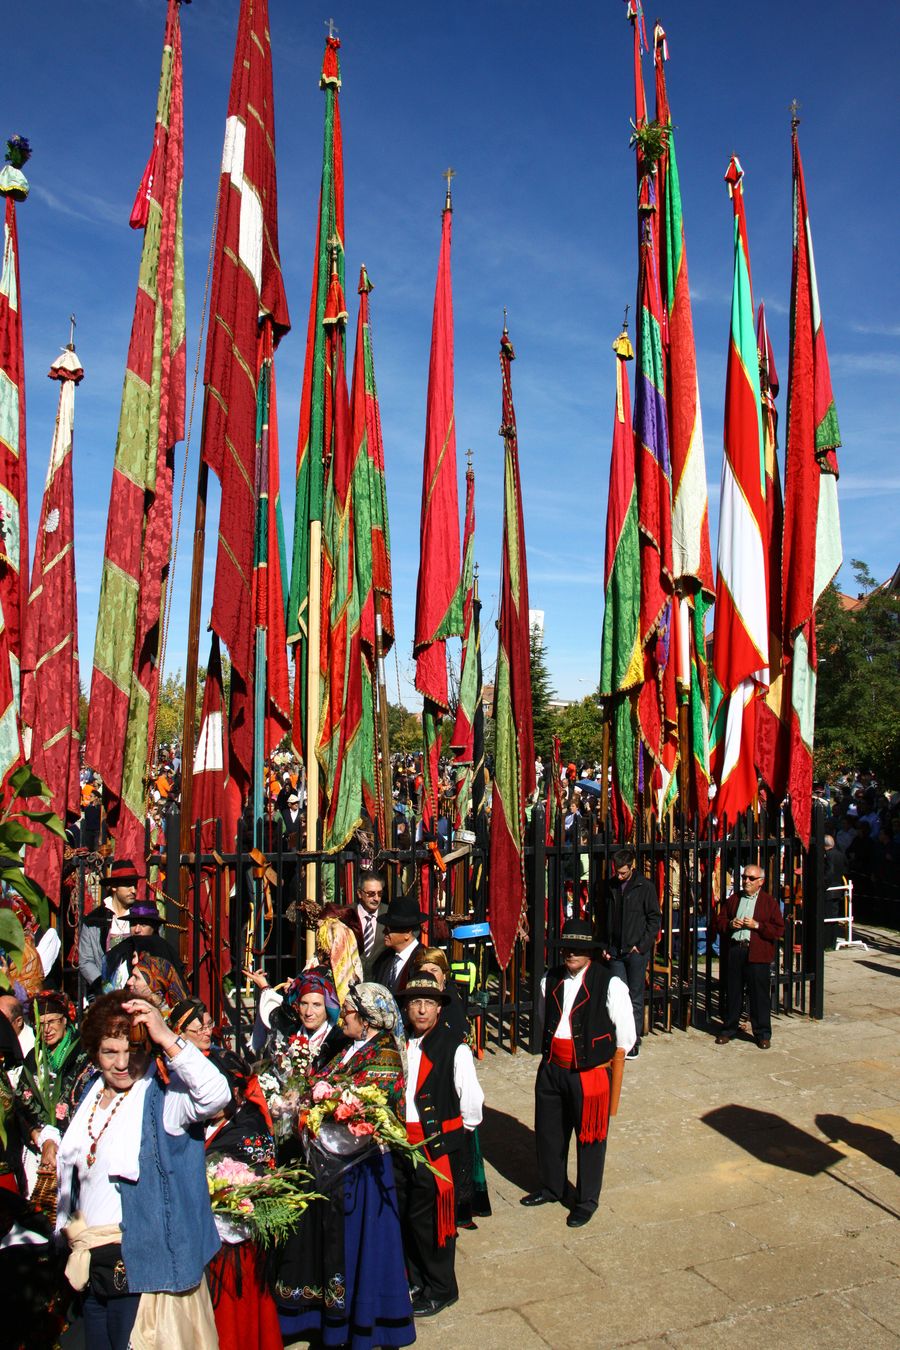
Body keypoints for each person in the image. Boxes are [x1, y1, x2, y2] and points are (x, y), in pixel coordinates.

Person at [56, 990, 230, 1349]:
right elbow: (75, 1165)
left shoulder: (165, 1098)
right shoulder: (91, 1093)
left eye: (132, 1052)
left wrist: (166, 1035)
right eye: (110, 1052)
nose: (122, 1064)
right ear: (94, 1053)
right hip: (92, 1264)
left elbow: (216, 1094)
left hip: (139, 1268)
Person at [275, 982, 415, 1349]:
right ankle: (325, 1316)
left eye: (349, 1011)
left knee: (356, 1249)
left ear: (367, 1020)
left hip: (361, 1171)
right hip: (334, 1166)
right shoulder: (349, 1048)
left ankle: (360, 1322)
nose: (343, 1017)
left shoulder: (382, 1055)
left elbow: (364, 1111)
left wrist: (320, 1105)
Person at [522, 919, 635, 1228]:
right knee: (548, 1133)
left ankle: (586, 1200)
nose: (571, 954)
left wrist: (606, 1070)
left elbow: (626, 1037)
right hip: (553, 1068)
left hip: (589, 1073)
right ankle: (552, 1187)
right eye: (567, 948)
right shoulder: (551, 978)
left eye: (578, 949)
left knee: (590, 1139)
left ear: (590, 952)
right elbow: (546, 1018)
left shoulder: (610, 983)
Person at [396, 973, 484, 1317]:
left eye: (428, 1003)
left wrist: (451, 1141)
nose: (420, 1010)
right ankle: (416, 1281)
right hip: (402, 1145)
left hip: (435, 1150)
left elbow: (472, 1104)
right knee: (408, 1216)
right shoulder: (401, 1044)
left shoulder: (454, 1047)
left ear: (438, 1009)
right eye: (415, 1003)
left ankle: (442, 1288)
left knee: (433, 1222)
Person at [205, 1050, 282, 1350]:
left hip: (236, 1248)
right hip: (207, 1242)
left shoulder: (249, 1128)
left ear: (235, 1091)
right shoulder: (198, 1123)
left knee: (237, 1324)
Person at [712, 864, 785, 1049]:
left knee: (759, 995)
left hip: (757, 953)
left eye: (751, 878)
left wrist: (757, 926)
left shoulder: (769, 902)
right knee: (733, 991)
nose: (746, 881)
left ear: (760, 882)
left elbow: (778, 930)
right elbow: (719, 921)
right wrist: (730, 924)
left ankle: (762, 1034)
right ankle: (729, 1028)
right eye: (745, 877)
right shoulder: (734, 899)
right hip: (736, 950)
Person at [600, 848, 661, 1059]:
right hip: (615, 951)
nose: (619, 876)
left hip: (634, 950)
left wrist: (641, 946)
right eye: (617, 871)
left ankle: (632, 1041)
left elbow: (654, 919)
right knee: (618, 996)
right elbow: (604, 917)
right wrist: (606, 947)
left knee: (634, 996)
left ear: (632, 867)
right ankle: (619, 1038)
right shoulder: (610, 886)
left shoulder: (645, 887)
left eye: (623, 872)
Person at [248, 968, 345, 1066]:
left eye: (316, 1005)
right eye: (304, 1004)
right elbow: (274, 1010)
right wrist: (264, 986)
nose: (308, 1012)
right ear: (297, 1006)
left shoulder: (337, 1041)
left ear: (328, 1008)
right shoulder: (289, 1031)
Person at [101, 901, 189, 1008]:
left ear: (154, 927)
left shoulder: (165, 951)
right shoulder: (120, 951)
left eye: (143, 925)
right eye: (133, 924)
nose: (137, 930)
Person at [78, 859, 140, 999]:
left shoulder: (140, 918)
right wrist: (103, 985)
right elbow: (86, 960)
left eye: (135, 885)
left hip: (135, 992)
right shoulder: (94, 920)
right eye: (128, 885)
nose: (133, 890)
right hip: (103, 995)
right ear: (114, 887)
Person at [411, 945, 468, 1042]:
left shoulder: (452, 1003)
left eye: (434, 970)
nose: (428, 975)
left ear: (444, 975)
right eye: (423, 971)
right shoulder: (410, 996)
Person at [371, 895, 426, 994]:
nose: (384, 932)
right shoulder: (384, 958)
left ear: (407, 934)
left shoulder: (423, 960)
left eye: (389, 929)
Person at [355, 871, 388, 977]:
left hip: (379, 981)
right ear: (360, 893)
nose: (376, 898)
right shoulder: (347, 913)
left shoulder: (388, 913)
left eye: (380, 893)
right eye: (371, 894)